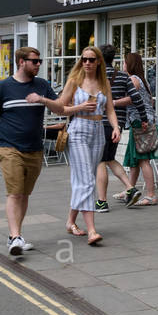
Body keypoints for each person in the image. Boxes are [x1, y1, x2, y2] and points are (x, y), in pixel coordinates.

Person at [30, 45, 120, 246]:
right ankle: (92, 231)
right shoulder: (74, 81)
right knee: (88, 180)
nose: (87, 63)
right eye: (84, 59)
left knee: (83, 179)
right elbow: (60, 108)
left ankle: (71, 221)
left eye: (91, 59)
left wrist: (116, 127)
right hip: (78, 129)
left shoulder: (104, 82)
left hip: (98, 131)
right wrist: (79, 107)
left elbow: (110, 109)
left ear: (98, 62)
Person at [0, 46, 56, 256]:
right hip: (9, 147)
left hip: (35, 149)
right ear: (22, 62)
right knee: (15, 192)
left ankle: (16, 236)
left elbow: (58, 108)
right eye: (35, 61)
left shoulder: (42, 85)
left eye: (39, 61)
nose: (39, 64)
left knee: (25, 194)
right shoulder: (4, 86)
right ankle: (14, 236)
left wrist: (42, 99)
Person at [95, 43, 140, 211]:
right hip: (117, 124)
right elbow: (136, 98)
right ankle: (130, 187)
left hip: (99, 123)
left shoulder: (96, 77)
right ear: (113, 58)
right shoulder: (122, 76)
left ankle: (101, 201)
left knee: (100, 161)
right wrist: (143, 117)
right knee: (109, 159)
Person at [122, 51, 158, 206]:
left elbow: (131, 98)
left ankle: (151, 195)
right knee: (134, 160)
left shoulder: (133, 79)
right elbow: (151, 102)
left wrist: (113, 102)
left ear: (128, 64)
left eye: (124, 62)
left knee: (143, 160)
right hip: (143, 121)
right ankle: (130, 190)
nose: (123, 65)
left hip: (141, 123)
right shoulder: (143, 80)